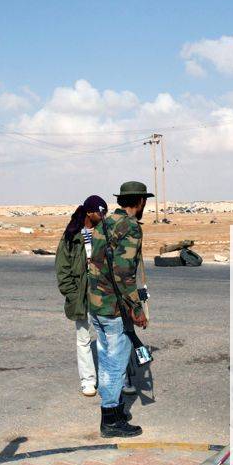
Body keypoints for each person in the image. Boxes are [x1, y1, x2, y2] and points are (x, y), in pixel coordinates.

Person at [87, 181, 151, 437]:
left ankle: (115, 410)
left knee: (106, 360)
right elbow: (124, 273)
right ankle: (110, 419)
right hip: (115, 308)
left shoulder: (105, 222)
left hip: (97, 303)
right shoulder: (131, 227)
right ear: (140, 202)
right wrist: (136, 308)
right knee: (115, 364)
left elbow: (97, 262)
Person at [54, 194, 108, 396]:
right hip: (80, 296)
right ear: (89, 212)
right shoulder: (72, 235)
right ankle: (88, 381)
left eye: (105, 213)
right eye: (100, 212)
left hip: (103, 295)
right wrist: (72, 293)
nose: (103, 216)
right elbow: (62, 267)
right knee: (83, 339)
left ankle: (111, 379)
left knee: (108, 339)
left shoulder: (105, 233)